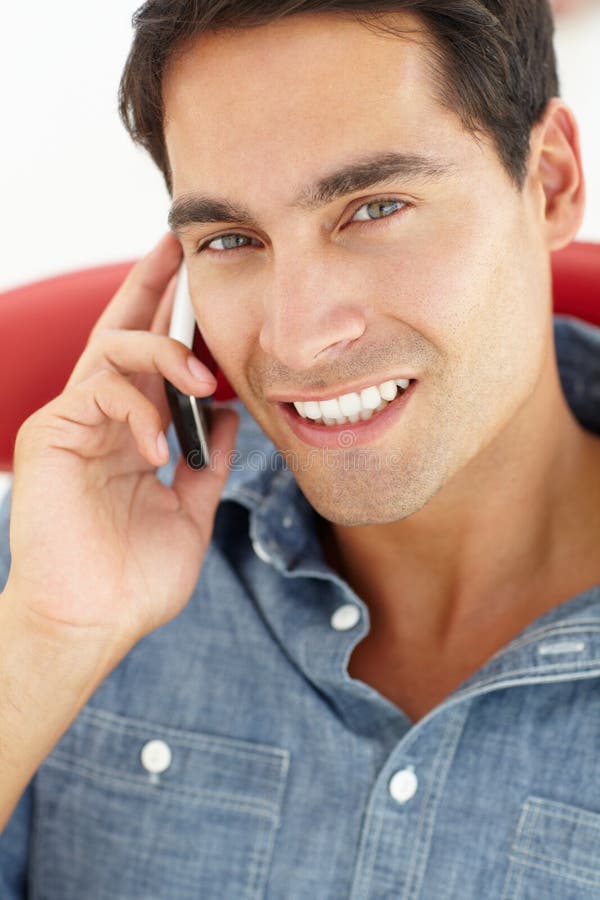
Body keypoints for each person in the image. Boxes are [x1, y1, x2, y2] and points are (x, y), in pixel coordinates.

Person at [1, 0, 600, 896]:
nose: (294, 335)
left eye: (375, 207)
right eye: (232, 239)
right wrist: (44, 644)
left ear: (548, 181)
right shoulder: (63, 557)